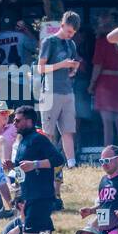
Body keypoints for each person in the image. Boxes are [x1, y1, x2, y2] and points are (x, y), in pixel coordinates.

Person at [11, 106, 66, 234]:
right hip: (29, 197)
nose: (14, 123)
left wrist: (35, 164)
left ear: (29, 121)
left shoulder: (39, 139)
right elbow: (22, 171)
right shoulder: (23, 141)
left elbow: (58, 159)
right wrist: (12, 167)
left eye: (17, 120)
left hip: (41, 197)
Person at [35, 11, 82, 168]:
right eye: (68, 31)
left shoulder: (71, 44)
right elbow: (40, 68)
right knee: (48, 132)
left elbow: (71, 69)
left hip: (67, 91)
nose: (70, 35)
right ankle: (47, 162)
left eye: (73, 33)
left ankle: (71, 162)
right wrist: (62, 64)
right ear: (62, 25)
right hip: (50, 91)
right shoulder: (49, 42)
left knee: (68, 130)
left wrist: (74, 68)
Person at [87, 11, 118, 148]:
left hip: (105, 82)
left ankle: (108, 152)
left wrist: (92, 84)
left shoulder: (101, 41)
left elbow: (97, 65)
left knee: (107, 122)